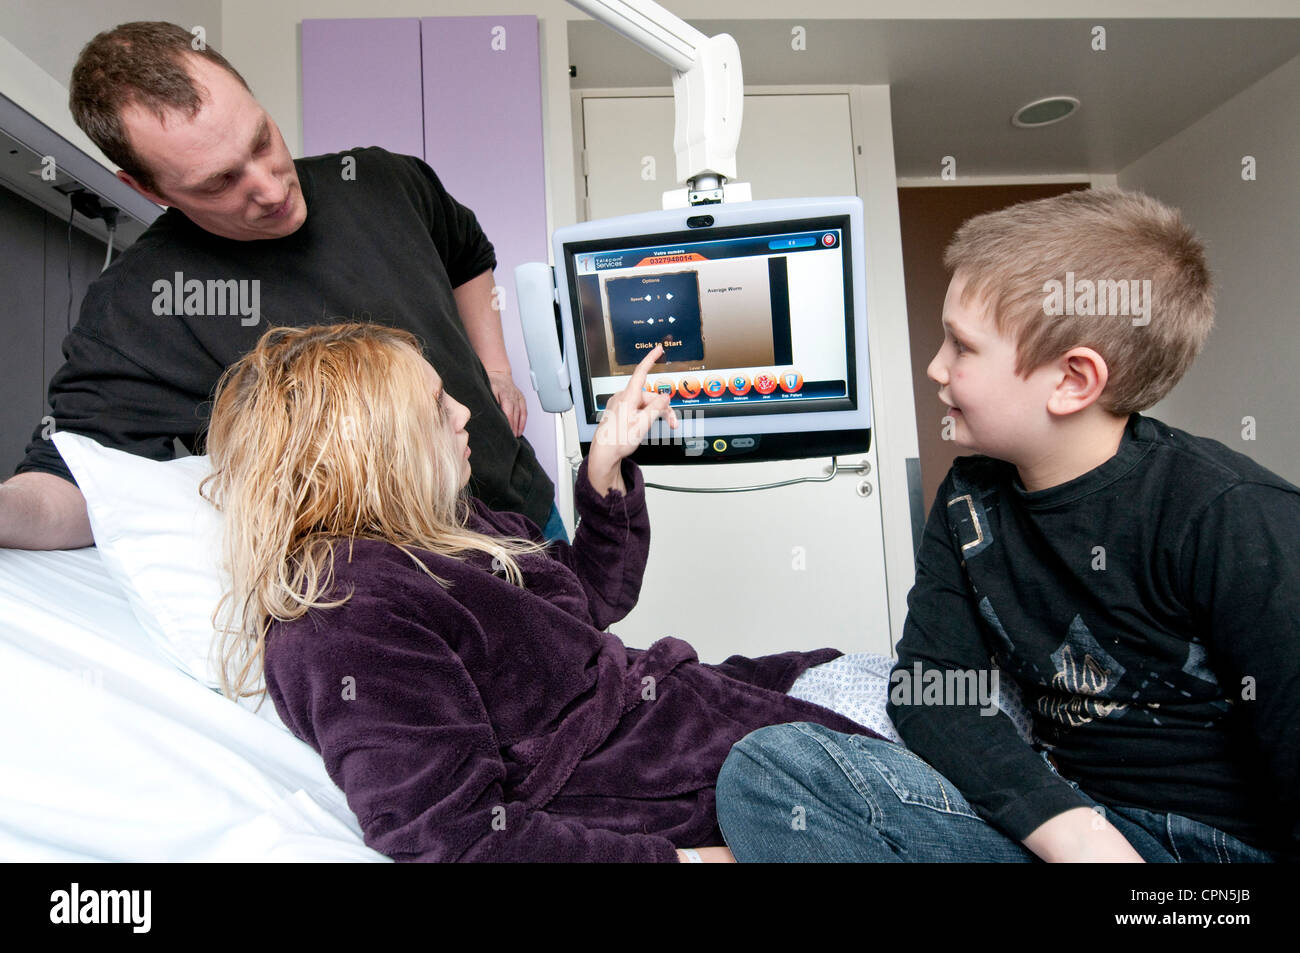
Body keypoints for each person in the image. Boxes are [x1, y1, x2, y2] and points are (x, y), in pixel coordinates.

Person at [715, 189, 1300, 863]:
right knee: (773, 771)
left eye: (962, 346)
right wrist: (1073, 832)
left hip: (1205, 857)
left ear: (1073, 380)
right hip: (1071, 826)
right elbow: (931, 689)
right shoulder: (971, 499)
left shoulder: (1230, 512)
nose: (935, 367)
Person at [201, 323, 883, 863]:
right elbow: (459, 840)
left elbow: (582, 605)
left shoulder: (445, 529)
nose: (466, 413)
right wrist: (692, 861)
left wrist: (605, 463)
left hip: (698, 705)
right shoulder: (345, 612)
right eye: (437, 407)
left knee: (903, 689)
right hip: (666, 785)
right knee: (946, 773)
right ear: (371, 447)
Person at [0, 21, 559, 549]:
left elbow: (468, 253)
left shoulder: (384, 179)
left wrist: (497, 370)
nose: (270, 189)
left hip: (529, 511)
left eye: (261, 141)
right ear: (147, 188)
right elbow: (76, 480)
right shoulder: (142, 306)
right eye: (220, 181)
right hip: (411, 586)